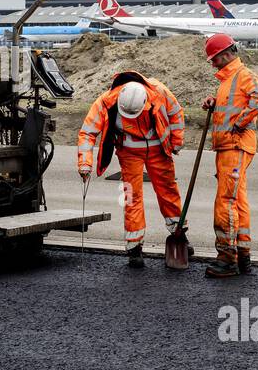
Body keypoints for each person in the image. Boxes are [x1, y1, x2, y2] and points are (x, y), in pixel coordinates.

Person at [78, 71, 185, 267]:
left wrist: (177, 141)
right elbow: (87, 132)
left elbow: (176, 113)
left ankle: (179, 234)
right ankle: (134, 247)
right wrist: (85, 163)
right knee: (131, 196)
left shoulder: (159, 92)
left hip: (158, 149)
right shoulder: (106, 101)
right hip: (128, 152)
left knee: (168, 191)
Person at [199, 34, 258, 277]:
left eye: (214, 58)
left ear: (226, 54)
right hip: (229, 146)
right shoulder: (228, 80)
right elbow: (233, 104)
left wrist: (241, 122)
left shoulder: (242, 75)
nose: (212, 63)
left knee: (225, 201)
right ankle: (243, 255)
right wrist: (214, 102)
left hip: (235, 145)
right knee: (237, 201)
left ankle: (227, 258)